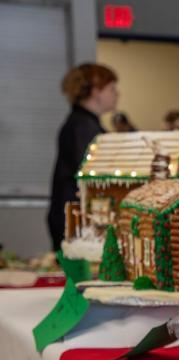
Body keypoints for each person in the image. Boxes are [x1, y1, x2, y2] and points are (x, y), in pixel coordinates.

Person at [46, 63, 118, 251]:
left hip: (70, 217)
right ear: (96, 91)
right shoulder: (83, 127)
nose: (117, 94)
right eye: (111, 88)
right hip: (75, 222)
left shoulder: (83, 123)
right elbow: (92, 175)